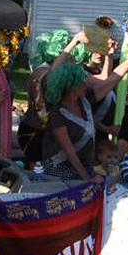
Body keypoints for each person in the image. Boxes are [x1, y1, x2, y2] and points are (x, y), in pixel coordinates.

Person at [40, 48, 128, 181]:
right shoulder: (57, 113)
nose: (86, 85)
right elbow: (70, 152)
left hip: (84, 166)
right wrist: (87, 180)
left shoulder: (85, 99)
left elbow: (114, 78)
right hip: (59, 170)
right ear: (71, 87)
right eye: (82, 82)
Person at [17, 30, 91, 167]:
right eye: (68, 53)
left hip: (48, 133)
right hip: (35, 133)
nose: (71, 57)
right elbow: (50, 78)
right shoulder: (42, 70)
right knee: (38, 175)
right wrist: (73, 43)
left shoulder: (59, 71)